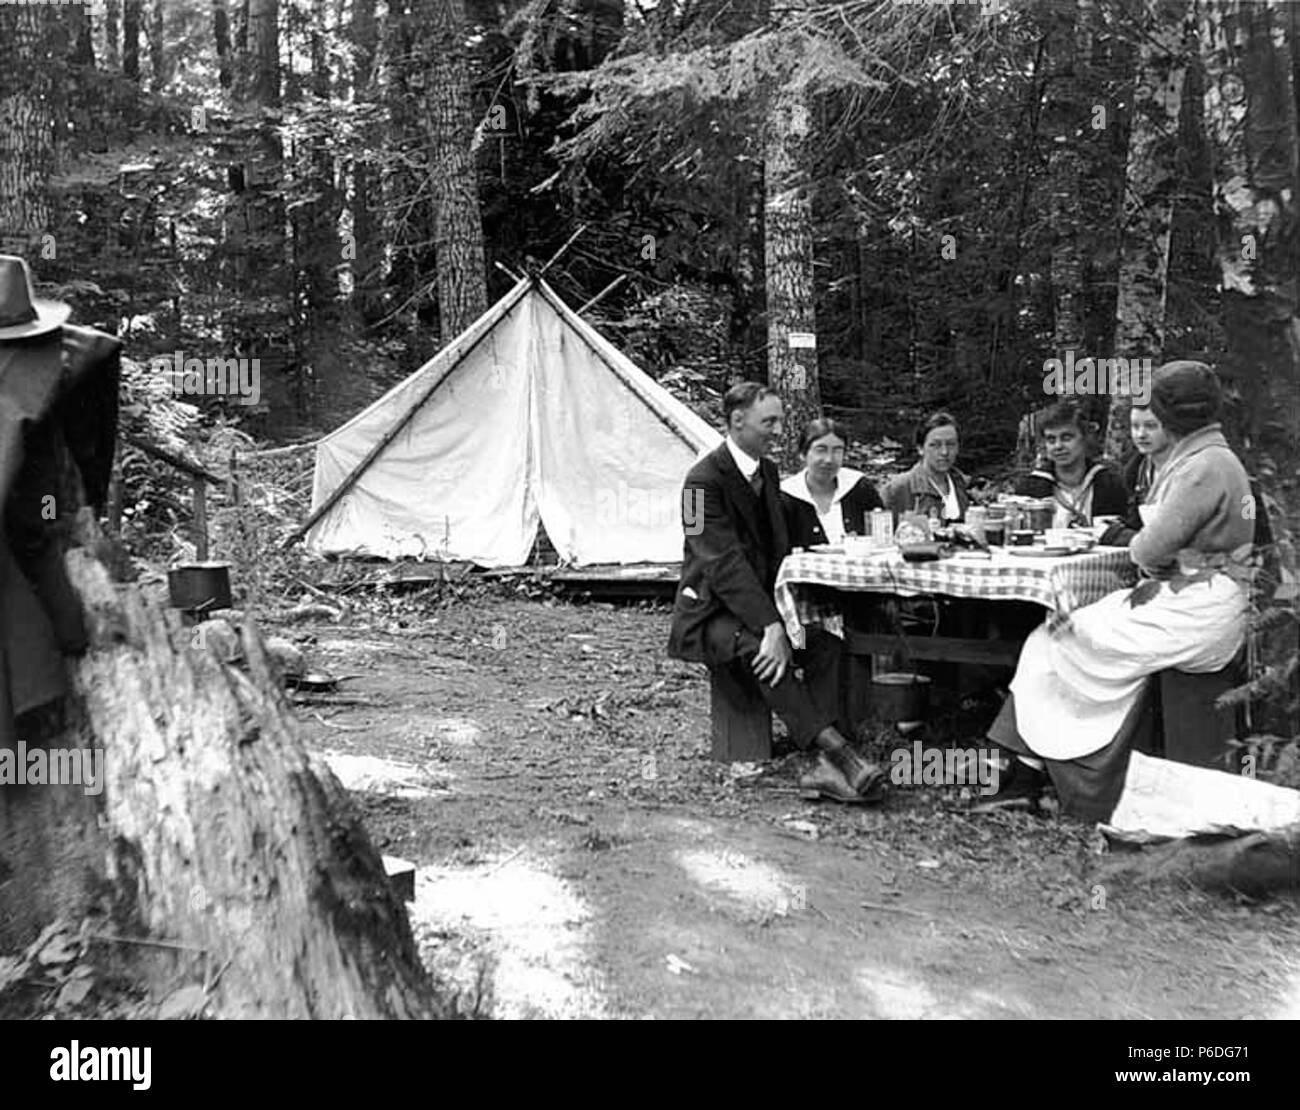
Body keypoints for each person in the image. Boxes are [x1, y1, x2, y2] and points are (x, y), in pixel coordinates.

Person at [985, 361, 1254, 820]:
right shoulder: (1210, 458)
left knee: (1052, 639)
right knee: (1063, 634)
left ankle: (1055, 779)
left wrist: (1144, 546)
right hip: (1197, 598)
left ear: (1170, 415)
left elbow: (1148, 552)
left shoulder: (1202, 467)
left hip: (1198, 607)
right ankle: (1032, 771)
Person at [667, 382, 885, 803]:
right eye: (770, 421)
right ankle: (839, 754)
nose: (779, 430)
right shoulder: (697, 484)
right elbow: (720, 563)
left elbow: (777, 546)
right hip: (710, 615)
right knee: (764, 651)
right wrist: (771, 625)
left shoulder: (767, 472)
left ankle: (822, 766)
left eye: (780, 420)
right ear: (737, 421)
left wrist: (788, 614)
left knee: (824, 641)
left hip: (763, 605)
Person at [1014, 400, 1127, 527]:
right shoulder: (1030, 488)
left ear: (1084, 438)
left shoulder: (1110, 484)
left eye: (1066, 438)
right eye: (1051, 440)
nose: (1058, 446)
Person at [779, 417, 884, 548]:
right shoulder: (785, 496)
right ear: (803, 454)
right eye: (821, 450)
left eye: (837, 450)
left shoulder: (859, 488)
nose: (829, 459)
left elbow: (882, 539)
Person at [1098, 402, 1173, 546]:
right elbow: (1136, 524)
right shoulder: (1135, 470)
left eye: (1151, 426)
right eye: (1135, 427)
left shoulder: (1187, 468)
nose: (1141, 434)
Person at [881, 411, 969, 523]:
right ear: (920, 448)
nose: (944, 452)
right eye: (935, 445)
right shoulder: (899, 489)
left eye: (950, 444)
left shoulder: (964, 486)